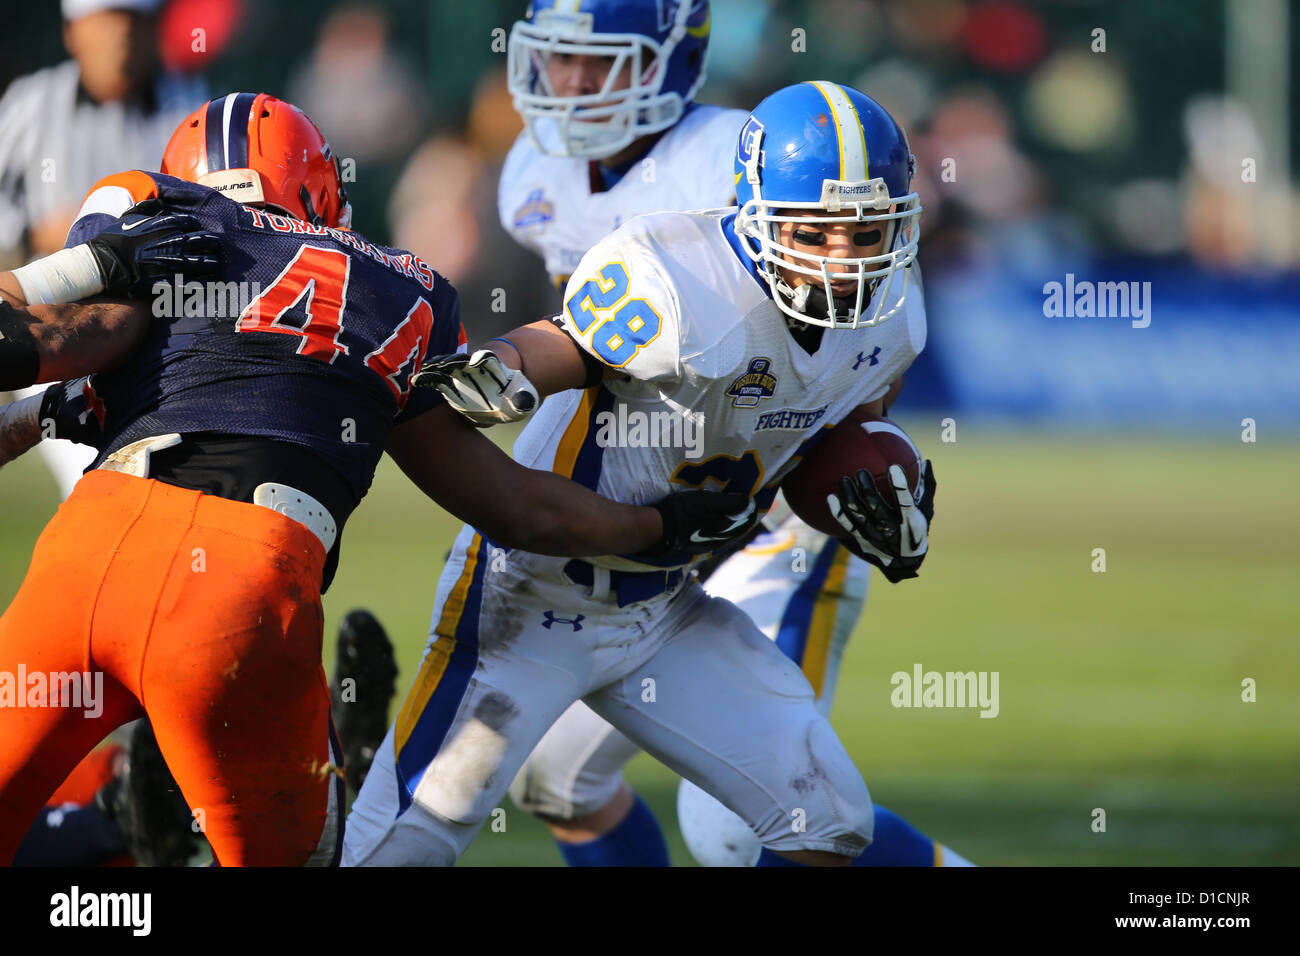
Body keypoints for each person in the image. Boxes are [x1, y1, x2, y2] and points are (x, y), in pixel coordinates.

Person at [0, 91, 754, 866]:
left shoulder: (158, 222)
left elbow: (30, 341)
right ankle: (283, 781)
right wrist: (657, 526)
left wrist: (73, 279)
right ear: (321, 193)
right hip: (237, 584)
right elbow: (518, 507)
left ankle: (124, 823)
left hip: (80, 560)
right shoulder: (400, 287)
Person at [343, 81, 936, 867]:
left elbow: (839, 425)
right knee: (401, 849)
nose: (843, 259)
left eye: (866, 232)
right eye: (814, 231)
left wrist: (876, 490)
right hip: (534, 600)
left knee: (828, 817)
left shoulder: (894, 315)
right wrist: (503, 366)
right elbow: (563, 344)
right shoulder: (683, 280)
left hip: (666, 607)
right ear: (757, 214)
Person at [495, 0, 970, 867]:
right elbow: (595, 353)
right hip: (663, 508)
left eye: (602, 60)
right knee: (554, 781)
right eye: (560, 59)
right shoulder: (533, 172)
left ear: (671, 59)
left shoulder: (734, 156)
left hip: (767, 509)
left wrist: (845, 448)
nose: (574, 83)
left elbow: (857, 338)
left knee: (741, 829)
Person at [0, 0, 208, 498]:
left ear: (154, 27)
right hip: (58, 323)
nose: (121, 36)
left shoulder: (191, 102)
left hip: (164, 329)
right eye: (107, 21)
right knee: (102, 484)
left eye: (132, 21)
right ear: (73, 33)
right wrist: (40, 239)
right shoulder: (31, 104)